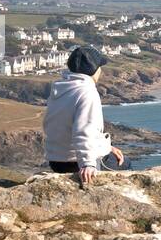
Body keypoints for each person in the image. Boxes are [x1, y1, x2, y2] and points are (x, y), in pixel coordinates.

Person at [44, 46, 131, 185]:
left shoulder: (60, 89)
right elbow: (84, 131)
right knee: (125, 164)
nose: (101, 71)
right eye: (99, 67)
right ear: (93, 70)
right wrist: (88, 164)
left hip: (56, 161)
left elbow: (54, 126)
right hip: (76, 162)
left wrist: (105, 147)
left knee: (113, 156)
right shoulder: (87, 92)